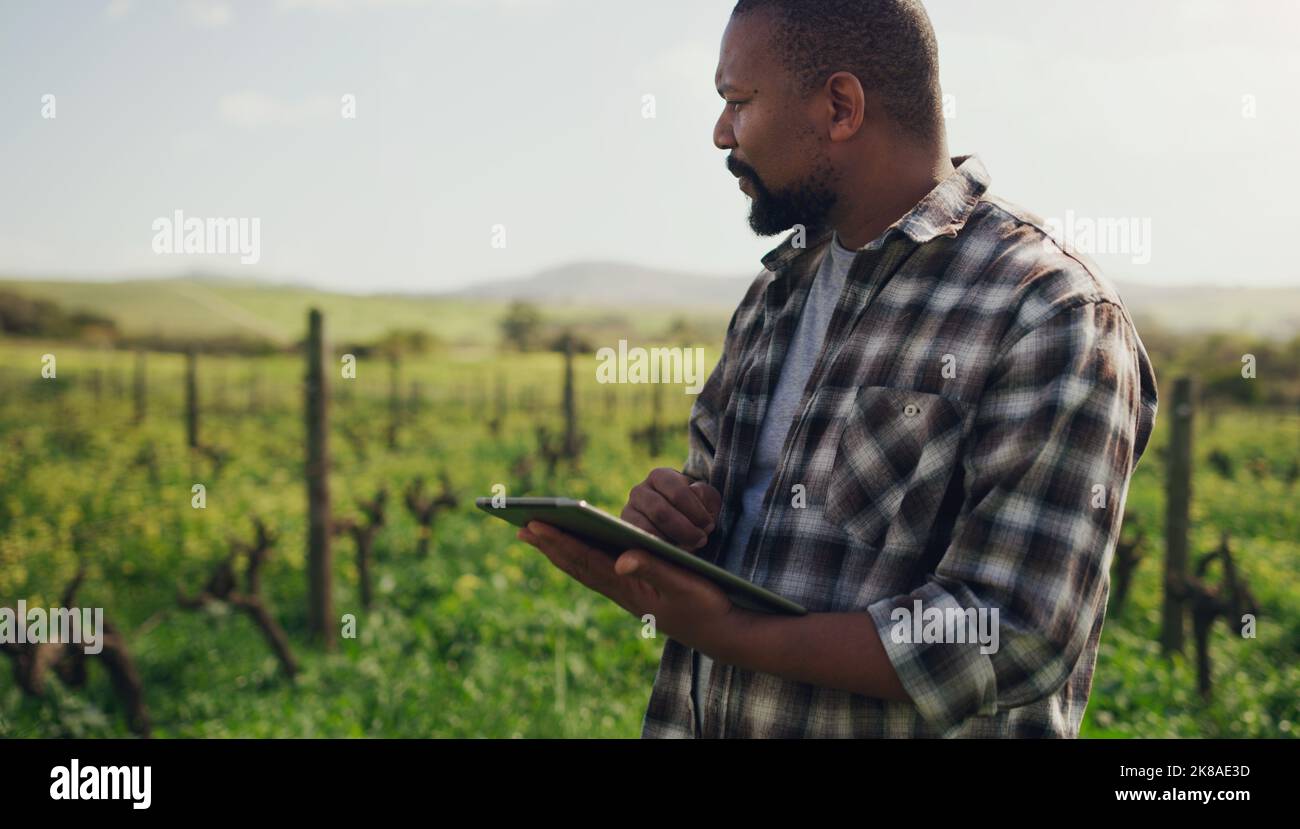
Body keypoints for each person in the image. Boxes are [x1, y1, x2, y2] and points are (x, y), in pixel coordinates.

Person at [517, 0, 1158, 738]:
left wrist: (724, 631)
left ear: (841, 107)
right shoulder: (776, 290)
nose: (721, 133)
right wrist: (675, 532)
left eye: (737, 102)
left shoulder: (1049, 310)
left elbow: (1007, 631)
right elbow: (737, 523)